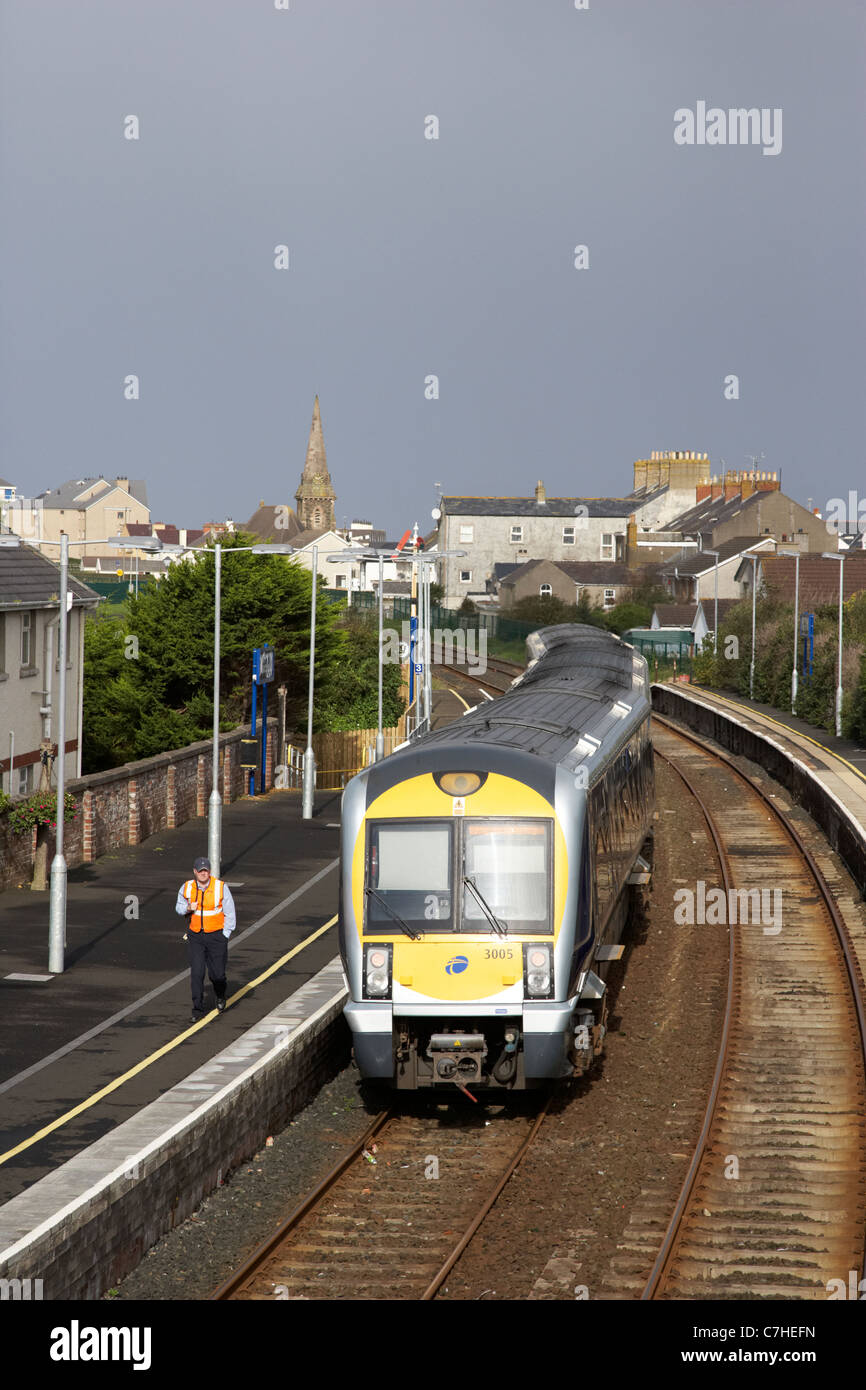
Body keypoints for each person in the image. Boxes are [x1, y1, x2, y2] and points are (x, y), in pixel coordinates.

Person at [176, 856, 237, 1022]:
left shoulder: (220, 887)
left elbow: (230, 913)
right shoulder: (187, 887)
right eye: (200, 871)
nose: (203, 873)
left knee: (217, 975)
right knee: (197, 973)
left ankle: (220, 994)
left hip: (216, 936)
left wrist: (225, 935)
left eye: (206, 870)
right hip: (196, 936)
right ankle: (197, 1010)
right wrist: (188, 907)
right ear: (195, 872)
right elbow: (178, 907)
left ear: (209, 871)